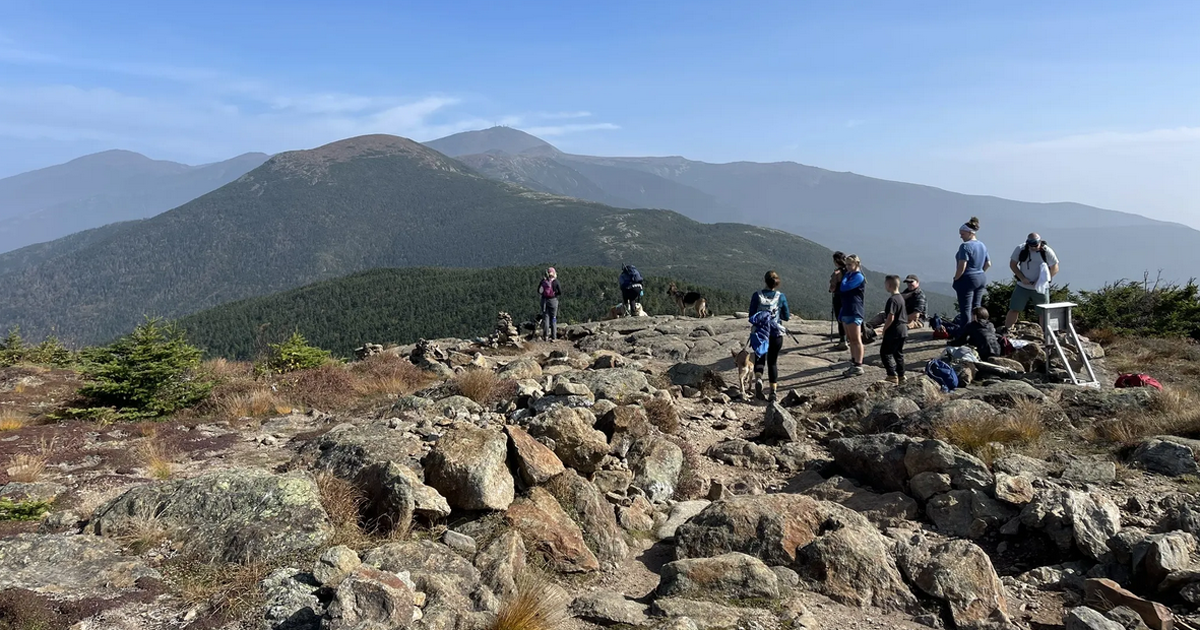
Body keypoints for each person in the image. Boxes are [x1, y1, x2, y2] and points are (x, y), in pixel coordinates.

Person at [748, 270, 791, 402]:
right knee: (772, 362)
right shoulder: (781, 296)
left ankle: (759, 379)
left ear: (765, 281)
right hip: (775, 333)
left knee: (759, 357)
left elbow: (751, 315)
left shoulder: (757, 295)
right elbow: (786, 316)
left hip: (760, 333)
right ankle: (773, 392)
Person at [1005, 233, 1060, 328]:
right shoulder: (1021, 249)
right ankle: (1008, 329)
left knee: (1043, 312)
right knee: (1014, 308)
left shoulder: (1046, 251)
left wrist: (1043, 280)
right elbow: (1013, 264)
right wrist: (1022, 278)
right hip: (1022, 285)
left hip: (1041, 288)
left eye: (1035, 245)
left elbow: (1055, 268)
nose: (1033, 248)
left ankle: (1046, 333)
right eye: (1031, 246)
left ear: (1040, 242)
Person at [952, 217, 991, 326]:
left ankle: (964, 331)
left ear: (970, 233)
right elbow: (988, 263)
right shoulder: (982, 245)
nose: (961, 236)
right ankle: (978, 328)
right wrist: (980, 272)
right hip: (981, 277)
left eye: (962, 234)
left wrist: (956, 279)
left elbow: (962, 266)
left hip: (967, 279)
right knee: (977, 307)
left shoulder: (965, 246)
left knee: (966, 308)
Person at [838, 254, 867, 377]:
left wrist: (844, 277)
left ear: (857, 264)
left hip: (854, 310)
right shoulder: (850, 275)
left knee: (856, 339)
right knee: (850, 339)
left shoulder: (858, 277)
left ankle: (858, 365)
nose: (848, 267)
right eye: (847, 265)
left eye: (850, 264)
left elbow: (844, 287)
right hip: (847, 309)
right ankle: (854, 362)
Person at [879, 275, 908, 385]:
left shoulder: (892, 300)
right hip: (903, 330)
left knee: (885, 353)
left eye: (885, 284)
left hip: (894, 330)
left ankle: (891, 375)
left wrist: (884, 329)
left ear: (889, 285)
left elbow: (891, 316)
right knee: (898, 353)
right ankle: (901, 375)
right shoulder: (900, 298)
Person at [828, 252, 848, 350]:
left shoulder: (837, 273)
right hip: (849, 298)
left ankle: (843, 341)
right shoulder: (850, 271)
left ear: (836, 261)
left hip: (839, 297)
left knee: (840, 318)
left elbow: (832, 288)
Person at [538, 267, 562, 341]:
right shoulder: (556, 282)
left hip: (544, 301)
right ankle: (554, 336)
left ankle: (546, 336)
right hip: (553, 301)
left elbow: (539, 291)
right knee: (553, 318)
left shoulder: (543, 281)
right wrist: (555, 294)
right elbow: (560, 292)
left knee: (546, 318)